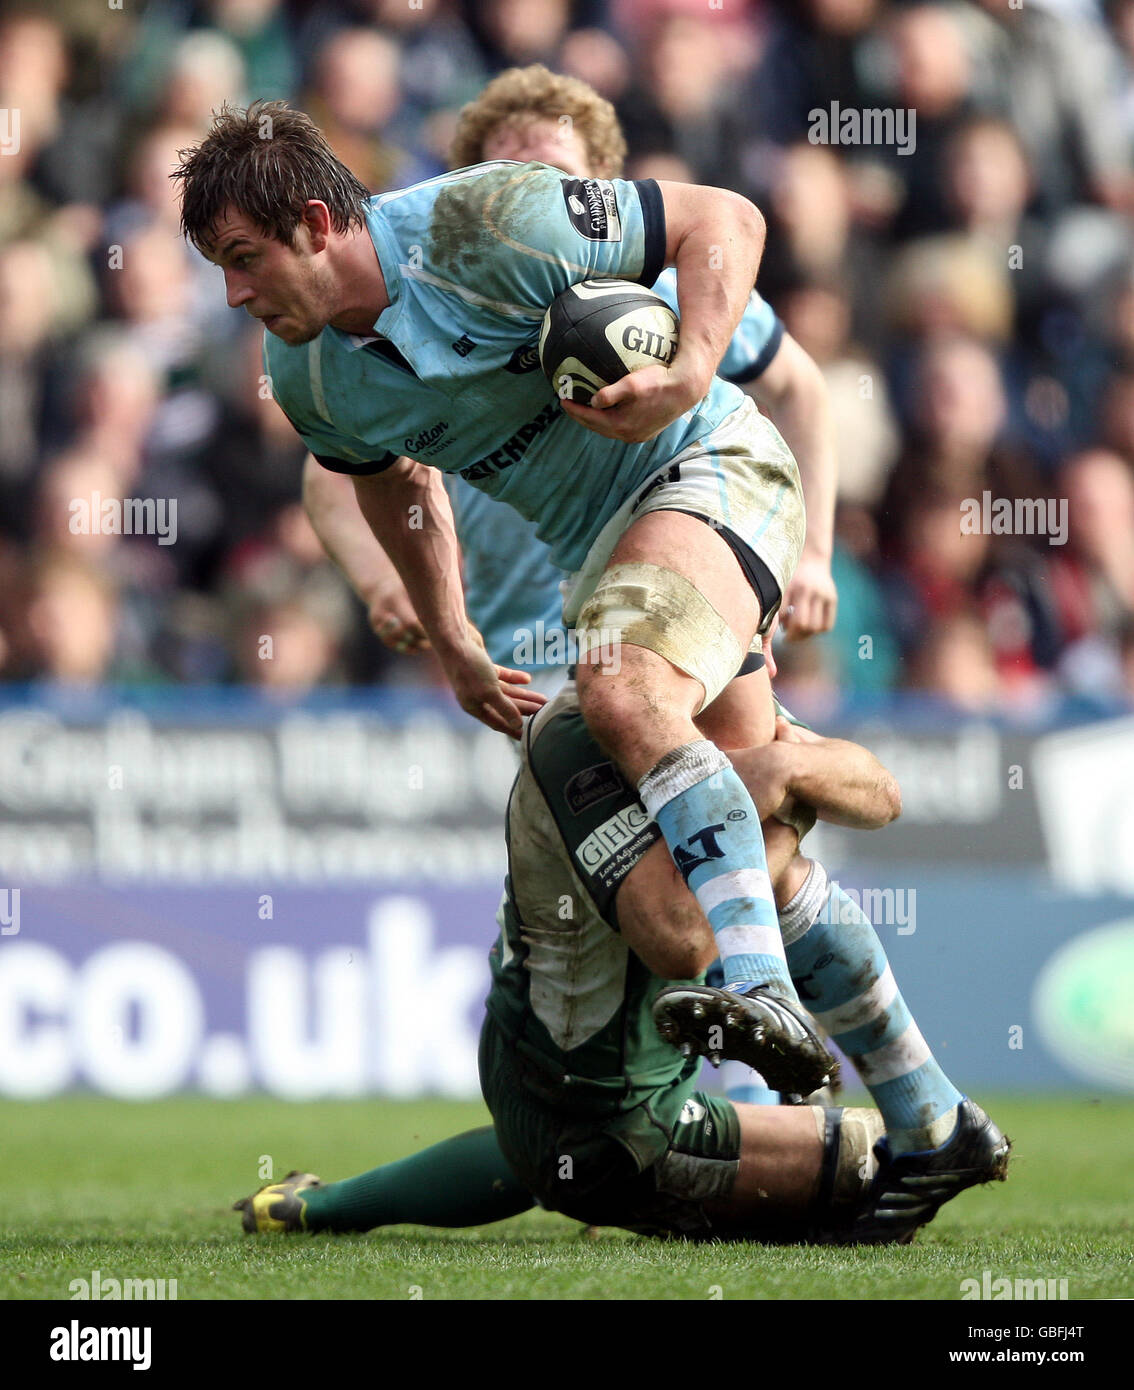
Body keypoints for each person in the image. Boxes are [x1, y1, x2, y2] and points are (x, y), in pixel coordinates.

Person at [175, 97, 833, 1092]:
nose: (230, 294)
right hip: (595, 564)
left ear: (315, 224)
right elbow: (391, 484)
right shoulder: (304, 375)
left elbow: (727, 219)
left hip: (710, 465)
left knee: (621, 693)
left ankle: (763, 1004)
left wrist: (692, 367)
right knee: (676, 906)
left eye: (242, 256)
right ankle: (924, 1113)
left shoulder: (489, 224)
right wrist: (450, 633)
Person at [235, 650, 1009, 1244]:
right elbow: (680, 937)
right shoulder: (577, 742)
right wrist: (771, 812)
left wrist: (781, 765)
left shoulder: (721, 710)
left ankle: (321, 1205)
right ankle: (928, 1121)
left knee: (545, 1160)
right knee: (865, 1161)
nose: (763, 671)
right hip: (607, 1115)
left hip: (571, 1089)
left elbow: (882, 794)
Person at [302, 65, 839, 676]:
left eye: (552, 174)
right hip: (525, 648)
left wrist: (815, 555)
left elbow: (801, 388)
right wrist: (383, 584)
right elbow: (333, 477)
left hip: (663, 598)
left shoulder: (677, 290)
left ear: (599, 184)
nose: (532, 189)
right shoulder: (429, 321)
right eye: (511, 176)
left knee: (660, 727)